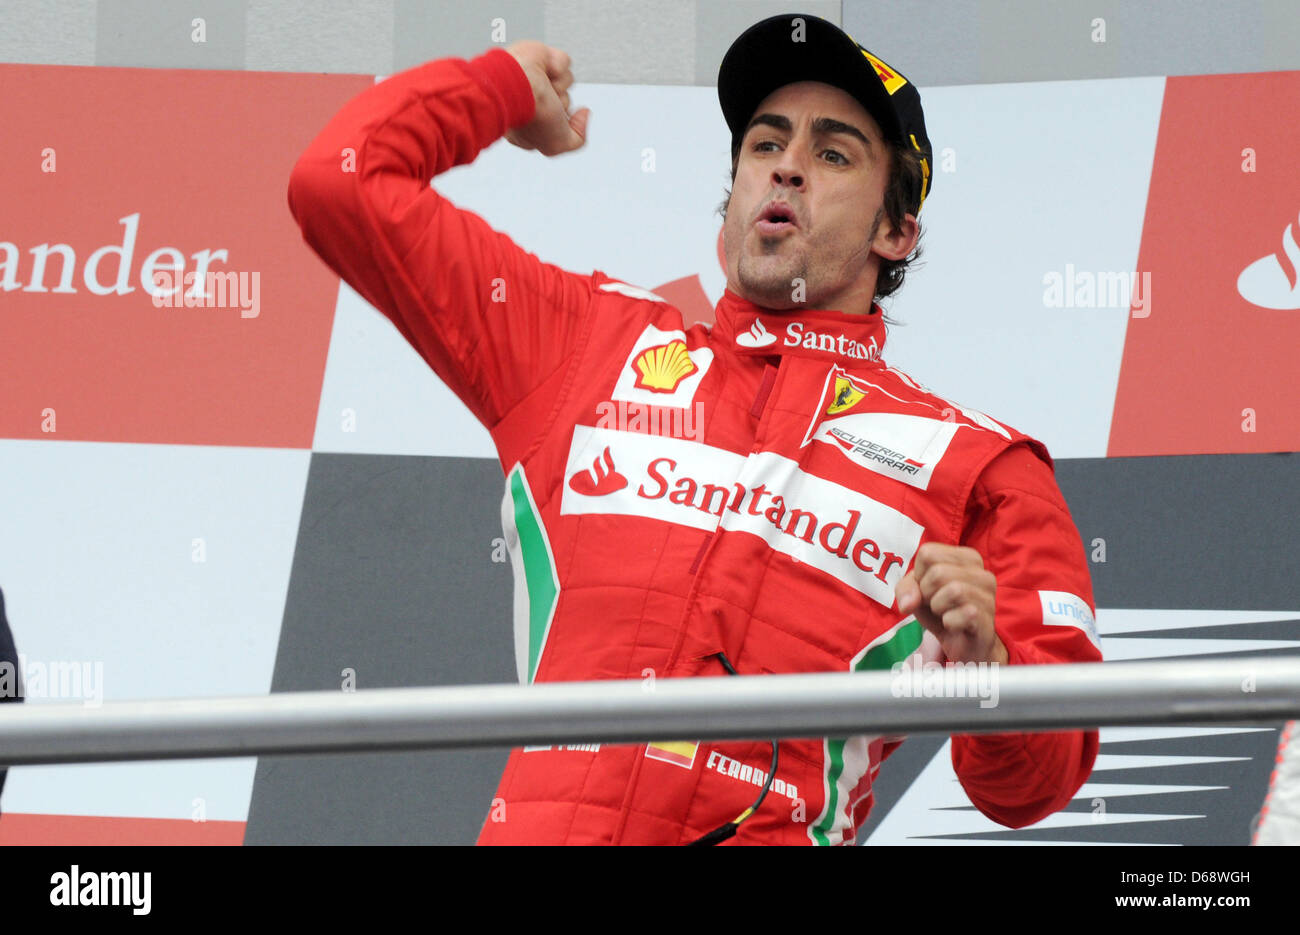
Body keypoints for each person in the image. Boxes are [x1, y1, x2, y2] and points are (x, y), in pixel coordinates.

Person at [287, 12, 1102, 845]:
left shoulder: (984, 467)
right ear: (732, 198)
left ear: (896, 231)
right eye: (764, 144)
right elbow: (338, 182)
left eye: (832, 152)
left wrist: (983, 664)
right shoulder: (585, 346)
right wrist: (498, 89)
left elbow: (1035, 784)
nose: (787, 167)